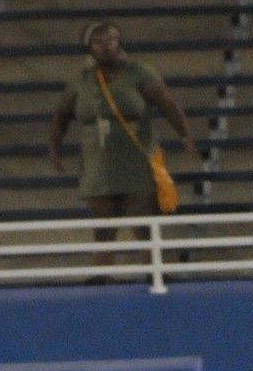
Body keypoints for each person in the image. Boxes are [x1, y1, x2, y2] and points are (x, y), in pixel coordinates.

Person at [48, 21, 196, 259]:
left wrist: (184, 133)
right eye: (99, 42)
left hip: (136, 162)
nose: (107, 47)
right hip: (98, 164)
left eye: (112, 40)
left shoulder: (139, 72)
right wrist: (55, 147)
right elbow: (62, 114)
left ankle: (153, 273)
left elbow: (167, 103)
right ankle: (102, 276)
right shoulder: (80, 80)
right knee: (103, 227)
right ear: (88, 47)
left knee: (144, 225)